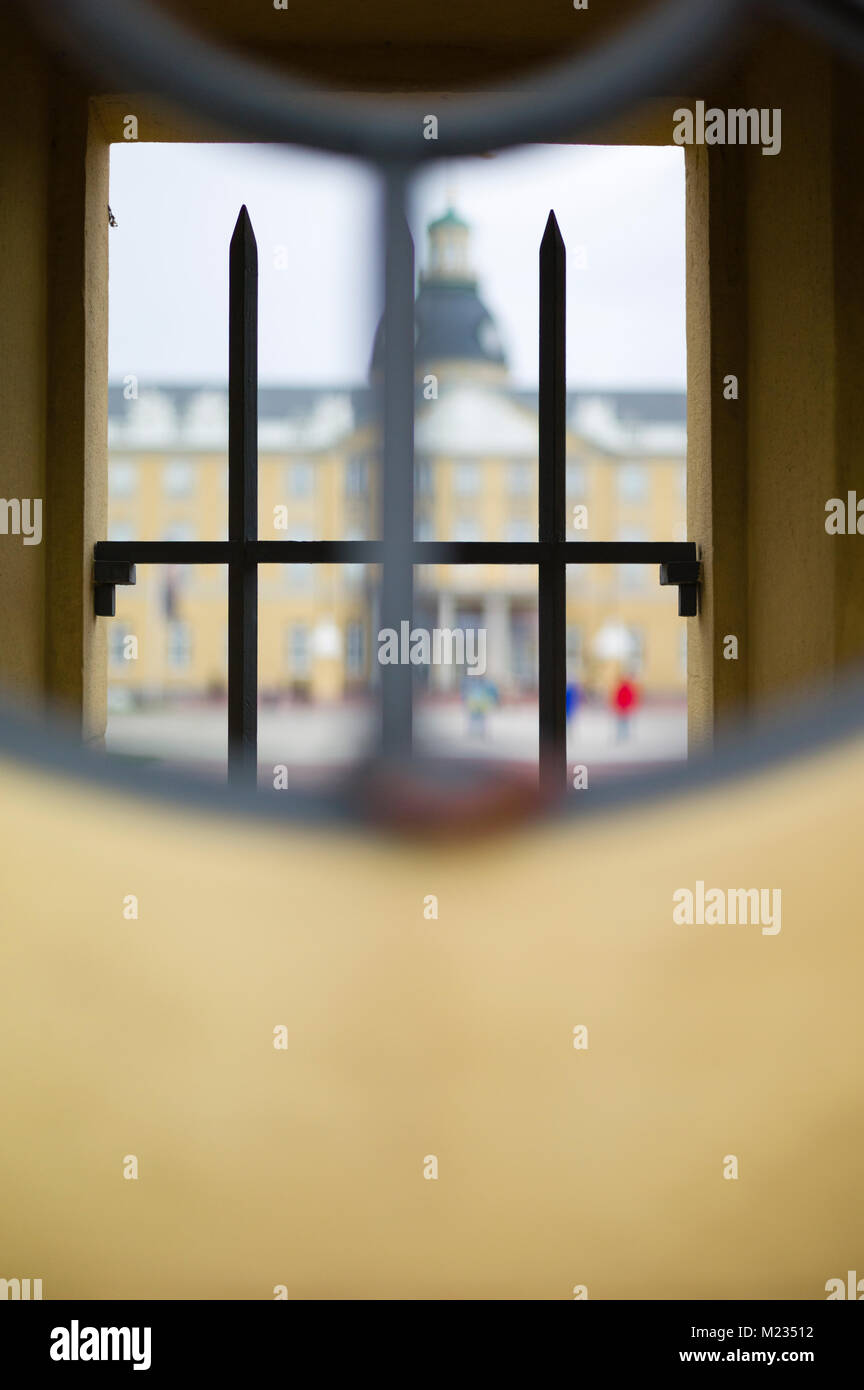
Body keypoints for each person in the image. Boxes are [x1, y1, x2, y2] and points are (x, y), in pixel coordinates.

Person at [611, 673, 638, 742]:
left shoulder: (626, 687)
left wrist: (629, 706)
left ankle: (624, 736)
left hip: (624, 708)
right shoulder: (623, 687)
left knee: (623, 723)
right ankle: (621, 736)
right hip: (622, 708)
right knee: (622, 723)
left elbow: (630, 698)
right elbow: (617, 698)